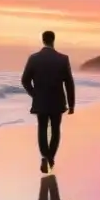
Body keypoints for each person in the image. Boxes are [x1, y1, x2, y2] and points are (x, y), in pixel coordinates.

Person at [21, 30, 75, 173]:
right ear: (53, 40)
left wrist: (34, 95)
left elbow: (25, 80)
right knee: (56, 130)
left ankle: (45, 157)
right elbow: (69, 83)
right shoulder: (63, 59)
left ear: (43, 40)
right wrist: (71, 104)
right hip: (57, 101)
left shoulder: (34, 58)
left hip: (41, 102)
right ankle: (50, 157)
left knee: (42, 129)